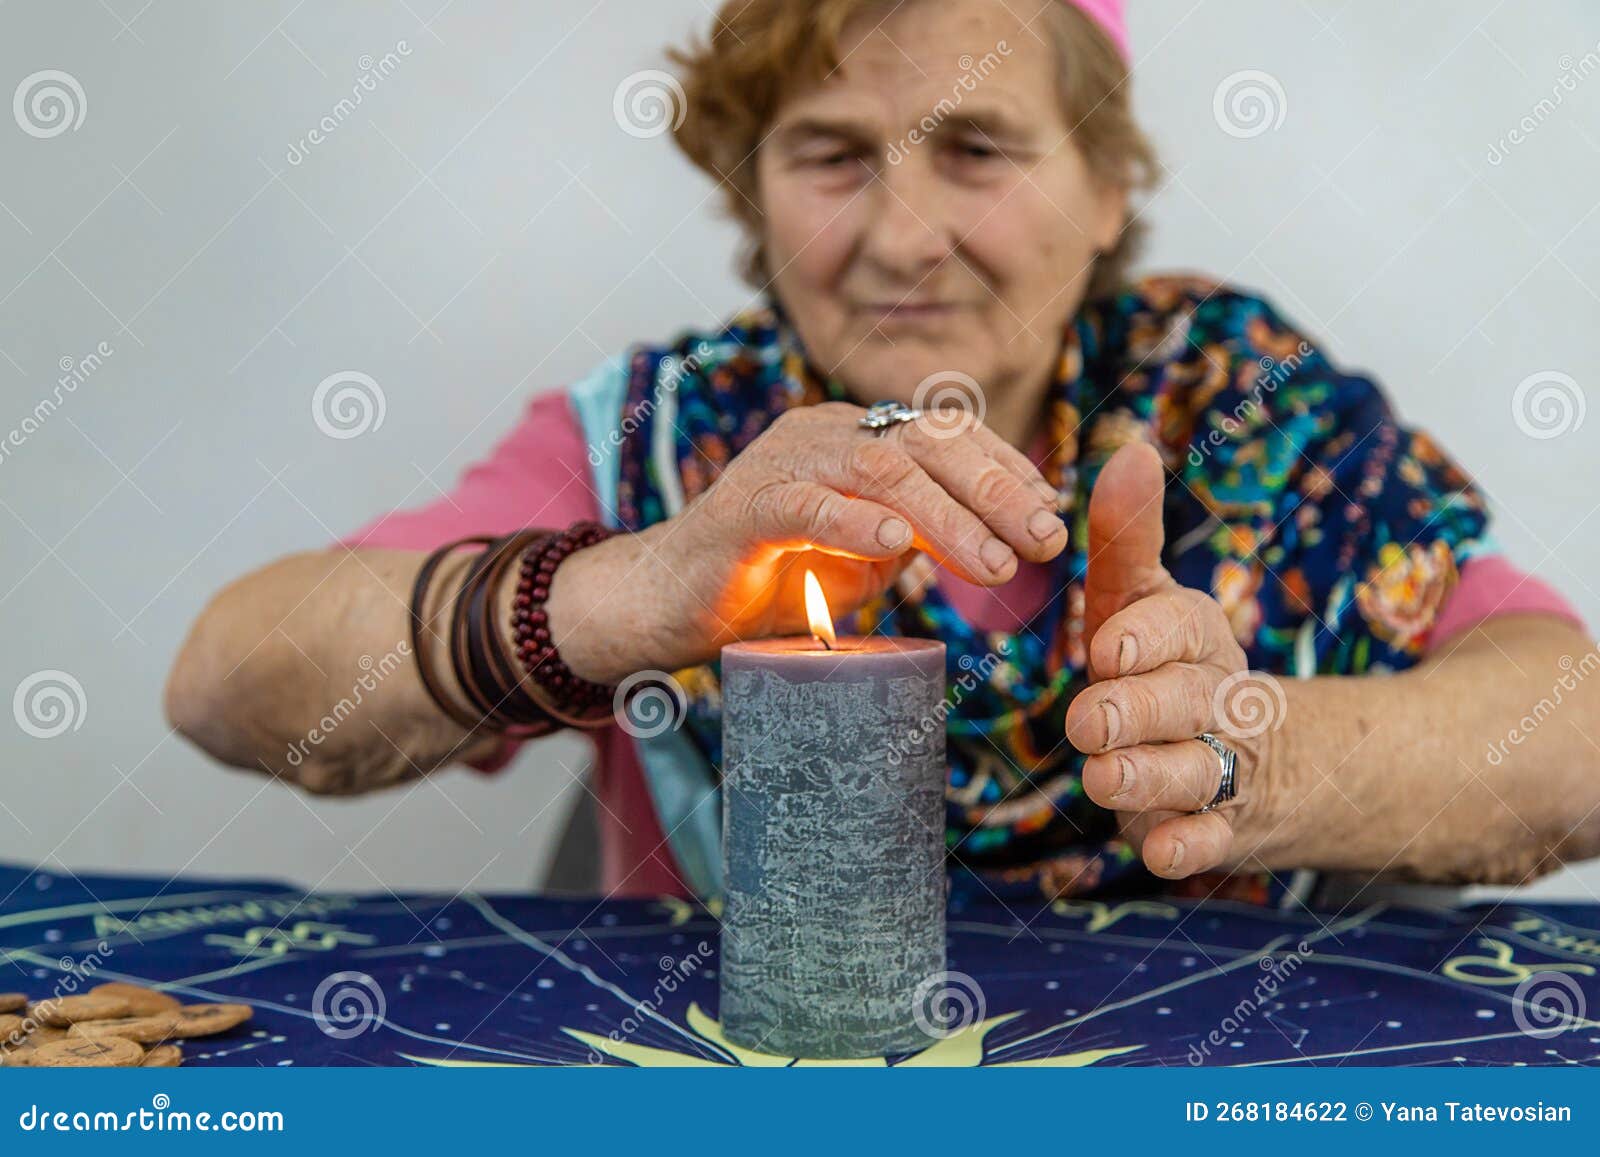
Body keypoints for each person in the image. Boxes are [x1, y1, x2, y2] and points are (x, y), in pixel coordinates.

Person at [167, 0, 1597, 907]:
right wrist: (628, 591)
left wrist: (1257, 758)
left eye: (975, 150)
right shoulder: (662, 440)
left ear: (1106, 188)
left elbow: (1575, 737)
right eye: (833, 156)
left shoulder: (1250, 406)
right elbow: (230, 680)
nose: (903, 237)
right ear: (756, 190)